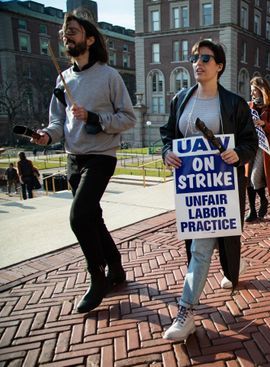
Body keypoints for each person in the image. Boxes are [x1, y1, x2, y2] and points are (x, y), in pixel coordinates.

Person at [32, 9, 136, 313]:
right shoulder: (61, 78)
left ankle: (97, 277)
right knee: (93, 217)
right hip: (73, 158)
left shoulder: (109, 75)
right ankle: (116, 268)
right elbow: (56, 123)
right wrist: (45, 136)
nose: (67, 36)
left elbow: (127, 117)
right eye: (65, 32)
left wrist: (94, 117)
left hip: (101, 156)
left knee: (79, 217)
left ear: (89, 39)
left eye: (73, 31)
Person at [159, 40, 257, 342]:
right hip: (192, 191)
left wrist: (238, 154)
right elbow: (168, 135)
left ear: (219, 65)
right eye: (194, 58)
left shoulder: (234, 103)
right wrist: (166, 153)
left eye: (205, 58)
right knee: (195, 248)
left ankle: (186, 312)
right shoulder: (180, 99)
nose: (198, 63)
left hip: (222, 190)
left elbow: (249, 142)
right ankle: (225, 274)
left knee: (201, 249)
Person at [245, 76, 270, 222]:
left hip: (263, 148)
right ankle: (252, 210)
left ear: (262, 91)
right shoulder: (249, 106)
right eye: (251, 91)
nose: (252, 94)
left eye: (254, 91)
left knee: (255, 177)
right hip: (249, 145)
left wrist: (263, 123)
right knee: (247, 180)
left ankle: (263, 200)